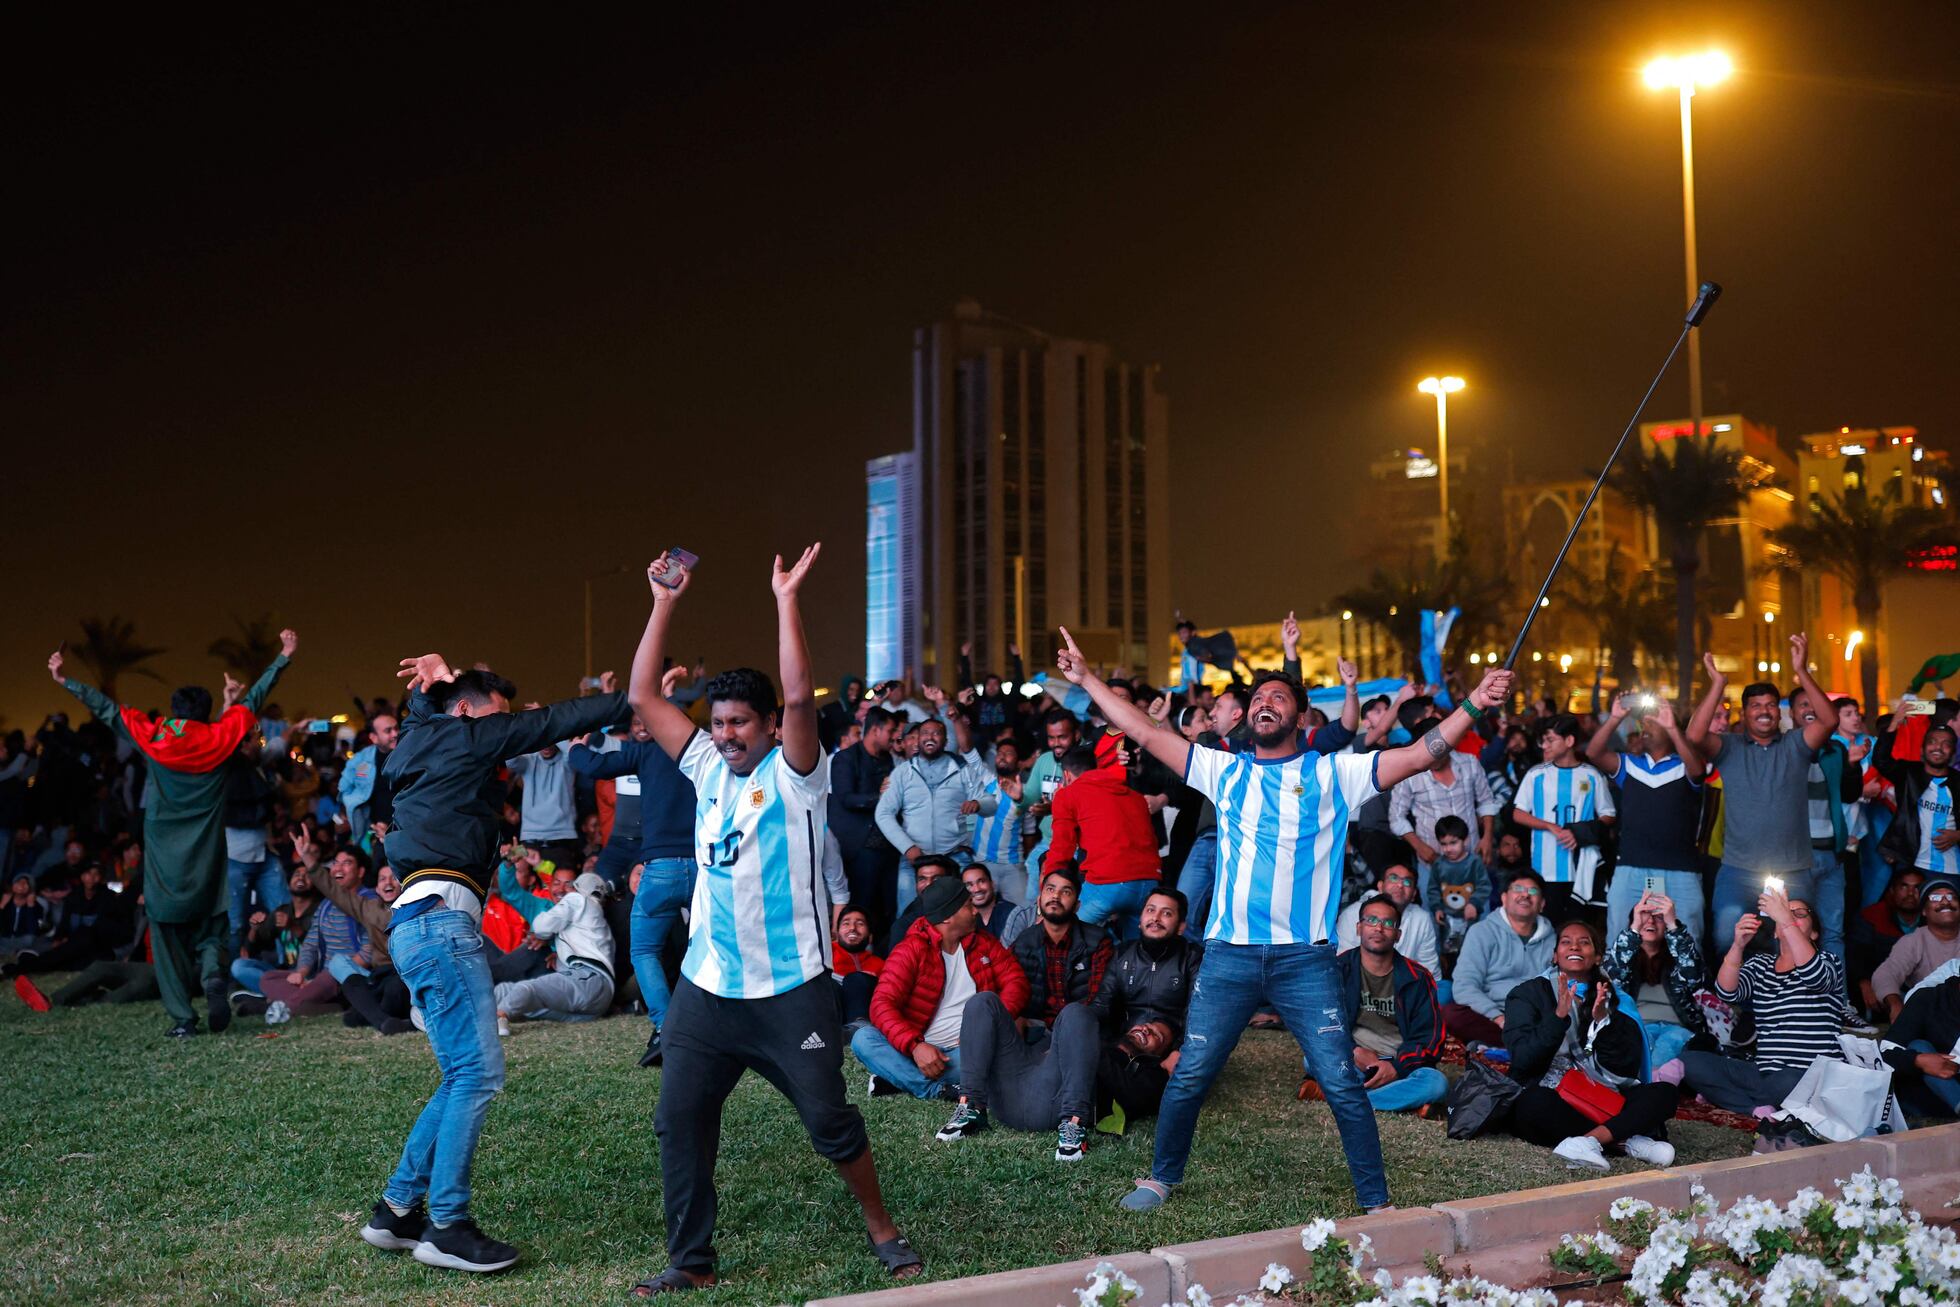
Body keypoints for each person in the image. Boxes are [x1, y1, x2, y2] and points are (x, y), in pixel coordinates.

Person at [1053, 623, 1515, 1215]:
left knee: (1342, 1082)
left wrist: (1476, 701)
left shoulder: (1334, 773)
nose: (1263, 704)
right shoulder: (1224, 770)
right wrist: (1088, 677)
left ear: (1301, 717)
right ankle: (1161, 1178)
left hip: (1305, 960)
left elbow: (1422, 753)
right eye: (1257, 699)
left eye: (1278, 697)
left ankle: (1376, 1202)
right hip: (1228, 958)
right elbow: (1142, 728)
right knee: (1191, 1074)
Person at [623, 546, 923, 1292]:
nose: (726, 735)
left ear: (764, 727)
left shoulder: (796, 776)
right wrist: (664, 602)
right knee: (679, 1119)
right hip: (706, 990)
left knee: (830, 1124)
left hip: (791, 988)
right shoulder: (700, 764)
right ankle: (691, 1261)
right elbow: (641, 696)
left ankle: (883, 1228)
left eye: (739, 724)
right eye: (718, 722)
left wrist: (785, 598)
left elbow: (796, 698)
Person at [366, 651, 631, 1274]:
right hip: (439, 923)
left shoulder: (416, 743)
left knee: (461, 1073)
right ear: (467, 712)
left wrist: (424, 693)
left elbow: (415, 723)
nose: (502, 736)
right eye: (496, 721)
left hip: (415, 923)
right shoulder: (463, 734)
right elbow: (555, 722)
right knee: (476, 1076)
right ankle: (447, 1226)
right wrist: (631, 700)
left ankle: (398, 1210)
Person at [48, 631, 295, 1036]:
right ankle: (214, 974)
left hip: (163, 858)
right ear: (206, 712)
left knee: (164, 936)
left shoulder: (153, 735)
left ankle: (183, 1019)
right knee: (213, 926)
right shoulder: (220, 737)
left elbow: (106, 709)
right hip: (210, 855)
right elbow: (255, 700)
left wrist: (65, 680)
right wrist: (283, 655)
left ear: (174, 712)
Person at [567, 683, 697, 1069]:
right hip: (706, 869)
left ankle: (665, 1029)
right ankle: (710, 1025)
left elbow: (589, 765)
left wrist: (577, 744)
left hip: (662, 869)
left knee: (644, 950)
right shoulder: (703, 752)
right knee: (709, 948)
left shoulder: (647, 754)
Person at [1687, 637, 1842, 962]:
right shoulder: (1729, 748)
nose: (1764, 711)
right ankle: (1737, 1008)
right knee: (1726, 936)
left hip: (1794, 869)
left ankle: (1789, 1008)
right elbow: (1695, 735)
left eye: (1771, 704)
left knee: (1795, 942)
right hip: (1737, 870)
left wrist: (1801, 671)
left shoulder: (1796, 745)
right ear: (1744, 714)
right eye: (1755, 706)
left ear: (1780, 712)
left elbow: (1829, 720)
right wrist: (1718, 683)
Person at [1675, 889, 1855, 1146]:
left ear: (1814, 933)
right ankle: (1762, 1109)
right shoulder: (1760, 965)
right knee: (1691, 1063)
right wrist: (1738, 944)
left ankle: (1757, 1103)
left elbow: (1816, 977)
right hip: (1764, 1073)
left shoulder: (1828, 962)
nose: (1789, 917)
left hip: (1807, 1076)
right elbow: (1727, 991)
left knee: (1788, 1080)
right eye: (1784, 913)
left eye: (1799, 914)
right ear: (1774, 932)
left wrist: (1785, 919)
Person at [1501, 920, 1678, 1171]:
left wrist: (1603, 1022)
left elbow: (1624, 1069)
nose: (1575, 946)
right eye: (1566, 942)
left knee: (1664, 1093)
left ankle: (1589, 1141)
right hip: (1552, 1094)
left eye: (1584, 942)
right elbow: (1523, 1060)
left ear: (1597, 957)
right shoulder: (1527, 994)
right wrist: (1558, 1018)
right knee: (1532, 1104)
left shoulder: (1616, 999)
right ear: (1555, 956)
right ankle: (1625, 1141)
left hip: (1605, 1092)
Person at [1303, 893, 1447, 1117]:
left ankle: (1346, 1097)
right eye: (1371, 920)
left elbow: (1430, 1037)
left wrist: (1397, 1068)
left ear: (1398, 935)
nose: (1379, 928)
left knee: (1435, 1083)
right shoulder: (1339, 969)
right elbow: (1321, 1025)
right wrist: (1352, 1051)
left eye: (1388, 923)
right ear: (1359, 928)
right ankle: (1401, 1099)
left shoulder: (1418, 977)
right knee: (1311, 1060)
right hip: (1354, 1059)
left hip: (1400, 1064)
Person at [1588, 693, 1708, 951]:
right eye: (1643, 723)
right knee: (1618, 938)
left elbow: (1698, 771)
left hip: (1681, 869)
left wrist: (1673, 728)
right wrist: (1615, 718)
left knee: (1689, 939)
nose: (1645, 727)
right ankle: (1616, 990)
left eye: (1653, 721)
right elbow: (1593, 752)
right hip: (1632, 865)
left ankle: (1689, 990)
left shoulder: (1684, 764)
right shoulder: (1630, 765)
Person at [1084, 886, 1200, 1127]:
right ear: (1140, 920)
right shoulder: (1123, 954)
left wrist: (1180, 1051)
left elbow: (1199, 1012)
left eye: (1166, 913)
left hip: (1171, 1049)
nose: (1155, 918)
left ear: (1181, 926)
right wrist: (1077, 1030)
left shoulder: (1192, 957)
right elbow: (1102, 1004)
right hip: (1126, 1042)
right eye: (1150, 910)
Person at [874, 713, 994, 915]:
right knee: (908, 919)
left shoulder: (962, 769)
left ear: (946, 741)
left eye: (937, 733)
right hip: (913, 860)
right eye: (925, 733)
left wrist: (977, 803)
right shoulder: (903, 773)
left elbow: (991, 804)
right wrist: (908, 848)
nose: (930, 737)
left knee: (961, 915)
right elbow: (883, 814)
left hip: (954, 856)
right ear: (917, 740)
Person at [1508, 714, 1616, 923]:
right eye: (1542, 741)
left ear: (1569, 741)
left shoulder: (1592, 775)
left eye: (1550, 740)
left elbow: (1609, 814)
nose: (1544, 746)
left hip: (1583, 870)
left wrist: (1582, 832)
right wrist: (1550, 826)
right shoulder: (1536, 774)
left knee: (1581, 926)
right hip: (1544, 869)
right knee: (1548, 926)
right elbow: (1517, 813)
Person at [1045, 745, 1161, 939]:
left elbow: (1061, 849)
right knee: (1134, 954)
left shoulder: (1068, 794)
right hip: (1149, 884)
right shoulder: (1136, 797)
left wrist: (1047, 888)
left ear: (1066, 775)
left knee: (1062, 936)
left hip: (1108, 881)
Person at [1441, 868, 1557, 1047]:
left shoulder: (1554, 939)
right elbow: (1465, 985)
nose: (1525, 895)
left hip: (1533, 1017)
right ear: (1504, 898)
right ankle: (1520, 1044)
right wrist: (1498, 1017)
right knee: (1450, 1014)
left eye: (1532, 891)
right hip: (1492, 1016)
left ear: (1542, 904)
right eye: (1517, 889)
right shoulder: (1482, 932)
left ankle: (1513, 1044)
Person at [261, 844, 376, 1022]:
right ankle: (316, 1003)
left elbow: (369, 951)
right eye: (336, 863)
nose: (338, 868)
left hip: (352, 977)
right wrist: (301, 973)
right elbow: (310, 944)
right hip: (321, 979)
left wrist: (333, 973)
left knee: (332, 970)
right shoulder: (326, 905)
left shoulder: (369, 901)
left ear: (360, 872)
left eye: (346, 863)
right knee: (268, 978)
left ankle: (286, 1006)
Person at [1389, 724, 1500, 902]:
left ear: (1449, 743)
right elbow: (1396, 817)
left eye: (1437, 752)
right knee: (1436, 916)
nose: (1432, 759)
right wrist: (1419, 846)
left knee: (1478, 914)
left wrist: (1487, 837)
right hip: (1431, 862)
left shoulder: (1470, 763)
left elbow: (1486, 801)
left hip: (1471, 858)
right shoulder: (1409, 774)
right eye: (1427, 754)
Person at [493, 871, 616, 1031]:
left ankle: (500, 1018)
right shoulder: (600, 925)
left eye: (570, 885)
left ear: (577, 888)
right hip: (597, 1001)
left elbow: (541, 926)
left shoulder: (579, 899)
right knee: (505, 991)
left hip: (588, 979)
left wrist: (540, 934)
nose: (566, 890)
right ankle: (479, 1011)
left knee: (525, 989)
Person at [1602, 891, 1711, 1069]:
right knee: (1644, 1045)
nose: (1651, 921)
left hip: (1679, 1029)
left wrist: (1673, 925)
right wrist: (1634, 929)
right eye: (1644, 916)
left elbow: (1695, 979)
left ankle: (1652, 1087)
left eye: (1659, 917)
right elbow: (1611, 979)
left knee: (1667, 1045)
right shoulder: (1623, 958)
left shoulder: (1679, 955)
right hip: (1638, 1028)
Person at [828, 707, 901, 940]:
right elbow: (845, 797)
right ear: (876, 730)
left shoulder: (888, 759)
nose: (893, 737)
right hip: (860, 847)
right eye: (890, 731)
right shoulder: (845, 758)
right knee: (861, 910)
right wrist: (879, 798)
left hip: (888, 847)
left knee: (887, 911)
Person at [1009, 868, 1114, 1027]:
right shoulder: (1023, 942)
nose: (1055, 896)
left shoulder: (1098, 942)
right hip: (1039, 1028)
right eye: (1050, 889)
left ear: (1077, 906)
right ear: (1039, 900)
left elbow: (1101, 1000)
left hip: (1082, 1027)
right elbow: (1009, 989)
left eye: (1065, 892)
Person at [1871, 877, 1960, 1020]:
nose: (1945, 902)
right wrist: (1895, 1004)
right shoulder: (1914, 940)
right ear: (1924, 911)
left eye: (1951, 896)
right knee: (1917, 1044)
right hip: (1931, 1017)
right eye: (1935, 897)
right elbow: (1886, 974)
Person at [1334, 862, 1440, 975]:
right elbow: (1342, 962)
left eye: (1407, 882)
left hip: (1405, 988)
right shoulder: (1353, 914)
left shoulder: (1422, 918)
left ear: (1414, 894)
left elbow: (1429, 969)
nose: (1400, 885)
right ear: (1380, 886)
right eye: (1393, 878)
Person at [1880, 970, 1960, 1118]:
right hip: (1935, 1090)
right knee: (1919, 1047)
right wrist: (1918, 1061)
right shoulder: (1929, 999)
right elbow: (1883, 1056)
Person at [965, 737, 1028, 906]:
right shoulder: (986, 780)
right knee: (977, 913)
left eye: (1008, 753)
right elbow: (968, 750)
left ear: (1020, 762)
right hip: (982, 862)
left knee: (1023, 912)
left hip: (1013, 865)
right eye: (1000, 753)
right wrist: (957, 719)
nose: (1002, 756)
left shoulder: (1027, 792)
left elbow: (1030, 834)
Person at [1853, 867, 1923, 1015]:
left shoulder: (1933, 918)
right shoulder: (1872, 915)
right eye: (1904, 886)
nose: (1910, 893)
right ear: (1892, 890)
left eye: (1917, 887)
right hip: (1880, 991)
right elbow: (1857, 954)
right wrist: (1864, 983)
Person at [1422, 816, 1490, 966]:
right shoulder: (1439, 864)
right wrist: (1437, 907)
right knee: (1450, 954)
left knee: (1472, 953)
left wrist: (1473, 903)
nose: (1448, 848)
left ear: (1465, 840)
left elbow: (1484, 886)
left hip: (1471, 919)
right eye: (1443, 844)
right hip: (1447, 921)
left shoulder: (1474, 862)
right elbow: (1433, 889)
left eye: (1453, 843)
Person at [339, 711, 400, 835]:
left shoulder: (411, 753)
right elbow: (350, 789)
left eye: (396, 728)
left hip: (410, 827)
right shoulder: (364, 761)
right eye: (388, 731)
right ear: (373, 737)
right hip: (378, 830)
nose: (395, 734)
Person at [832, 904, 884, 1026]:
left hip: (867, 1023)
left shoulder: (881, 965)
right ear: (837, 933)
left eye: (860, 924)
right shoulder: (824, 954)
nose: (852, 928)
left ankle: (857, 1032)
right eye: (846, 923)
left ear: (870, 936)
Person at [961, 861, 1015, 938]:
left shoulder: (1011, 912)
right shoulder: (962, 919)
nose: (976, 889)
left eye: (981, 881)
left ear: (992, 884)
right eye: (969, 885)